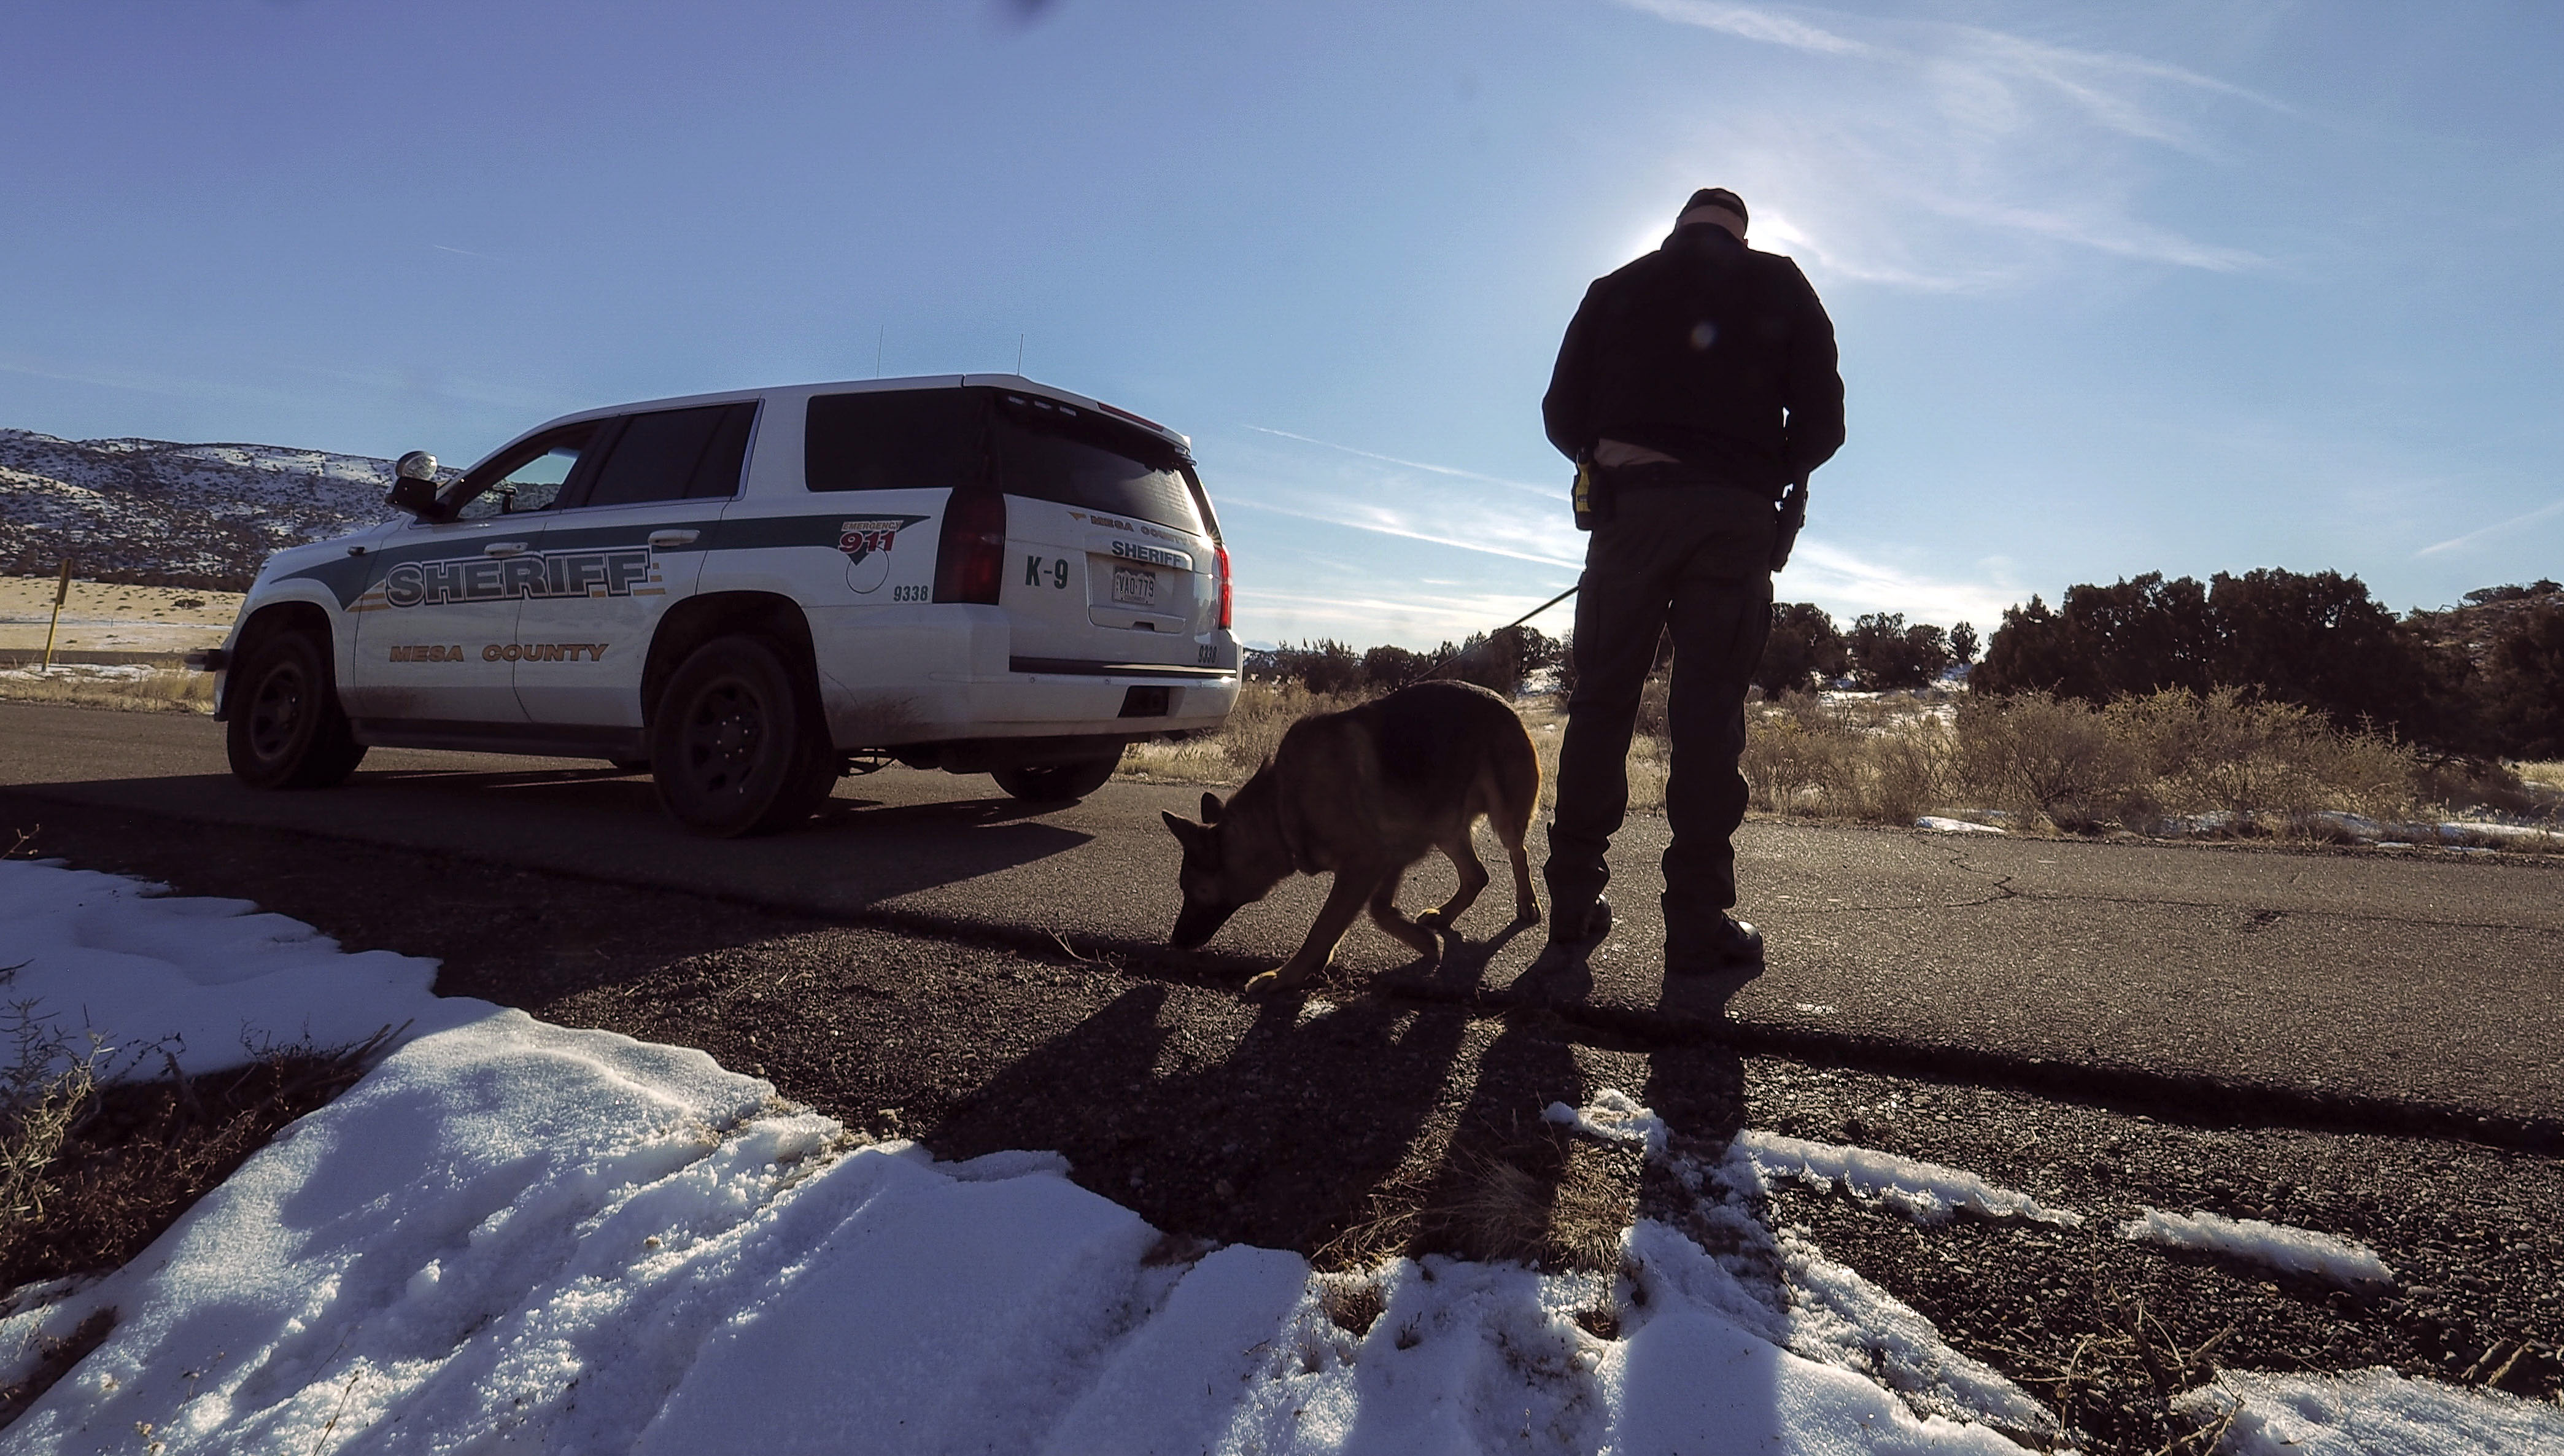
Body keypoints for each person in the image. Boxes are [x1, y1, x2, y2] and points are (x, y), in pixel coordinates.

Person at [1540, 186, 1844, 972]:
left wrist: (1606, 460)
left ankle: (1572, 905)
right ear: (1740, 231)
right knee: (1708, 718)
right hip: (1732, 522)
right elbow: (1824, 424)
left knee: (1600, 703)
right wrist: (1760, 475)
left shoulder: (1615, 287)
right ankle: (1697, 922)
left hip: (1629, 518)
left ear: (1678, 226)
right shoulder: (1781, 283)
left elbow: (1559, 412)